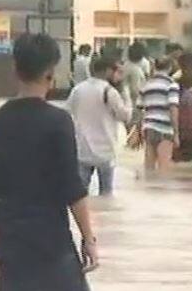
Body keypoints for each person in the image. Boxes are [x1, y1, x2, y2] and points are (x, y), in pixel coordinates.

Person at [0, 32, 98, 291]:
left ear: (14, 69)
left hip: (10, 238)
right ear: (51, 73)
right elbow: (72, 186)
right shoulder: (57, 122)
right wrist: (89, 239)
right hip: (51, 239)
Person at [65, 56, 132, 196]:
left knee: (80, 194)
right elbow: (125, 116)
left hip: (82, 149)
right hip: (105, 151)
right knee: (106, 195)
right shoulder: (109, 92)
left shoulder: (78, 89)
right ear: (108, 71)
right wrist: (126, 94)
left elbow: (67, 113)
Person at [139, 57, 181, 171]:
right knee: (164, 169)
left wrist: (139, 131)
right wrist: (176, 133)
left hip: (148, 128)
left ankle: (147, 188)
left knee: (149, 168)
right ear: (170, 68)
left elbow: (140, 109)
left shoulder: (146, 85)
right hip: (165, 129)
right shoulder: (172, 85)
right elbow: (173, 109)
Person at [123, 41, 149, 108]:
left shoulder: (144, 63)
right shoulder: (127, 63)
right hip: (129, 91)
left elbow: (146, 77)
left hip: (138, 89)